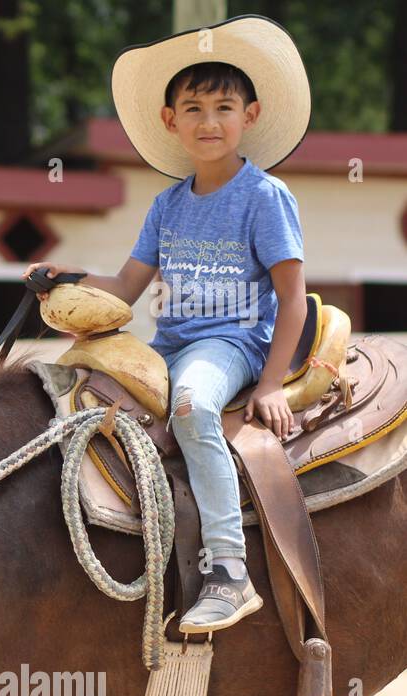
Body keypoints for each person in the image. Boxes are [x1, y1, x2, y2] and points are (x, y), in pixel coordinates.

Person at [26, 15, 310, 633]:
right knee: (74, 398)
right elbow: (126, 288)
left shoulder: (264, 197)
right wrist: (67, 280)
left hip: (231, 342)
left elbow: (294, 299)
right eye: (194, 108)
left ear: (250, 115)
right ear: (170, 120)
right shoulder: (168, 204)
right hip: (167, 341)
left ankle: (229, 570)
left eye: (224, 107)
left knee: (190, 407)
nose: (209, 122)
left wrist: (268, 384)